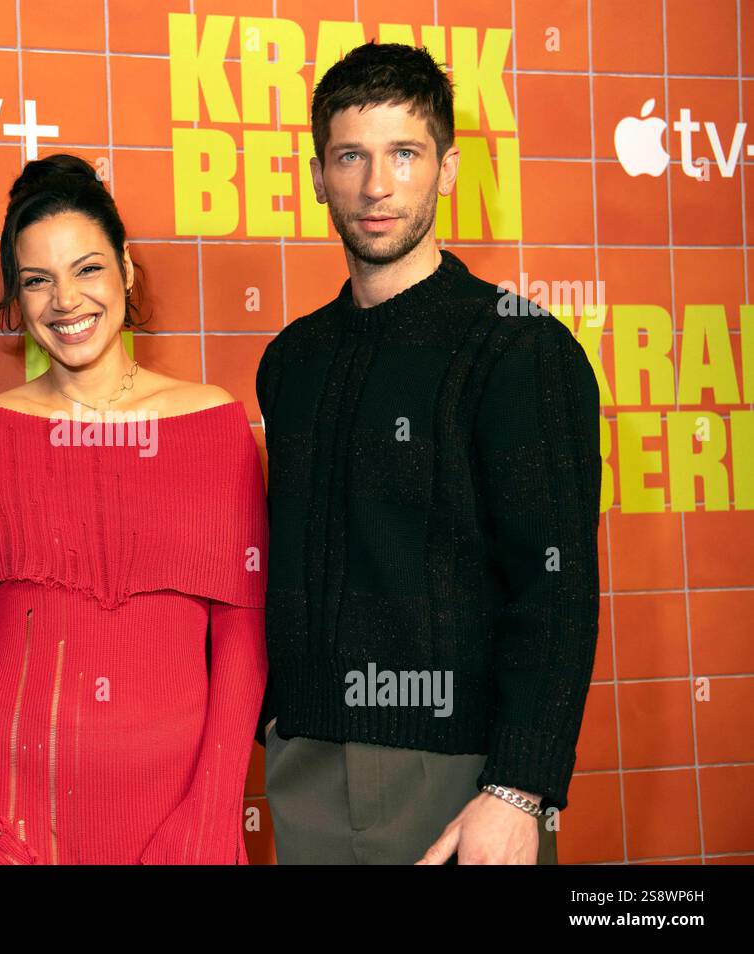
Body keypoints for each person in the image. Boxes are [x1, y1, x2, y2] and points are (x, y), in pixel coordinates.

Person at [256, 43, 601, 865]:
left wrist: (520, 788)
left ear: (446, 170)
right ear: (317, 177)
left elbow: (556, 587)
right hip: (303, 767)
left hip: (459, 782)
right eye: (352, 156)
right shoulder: (291, 361)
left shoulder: (521, 349)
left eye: (403, 154)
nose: (377, 186)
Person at [0, 154, 267, 864]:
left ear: (127, 269)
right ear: (17, 299)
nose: (65, 301)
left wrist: (210, 813)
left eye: (87, 269)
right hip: (17, 828)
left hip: (180, 825)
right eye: (37, 281)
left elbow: (243, 631)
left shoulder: (213, 424)